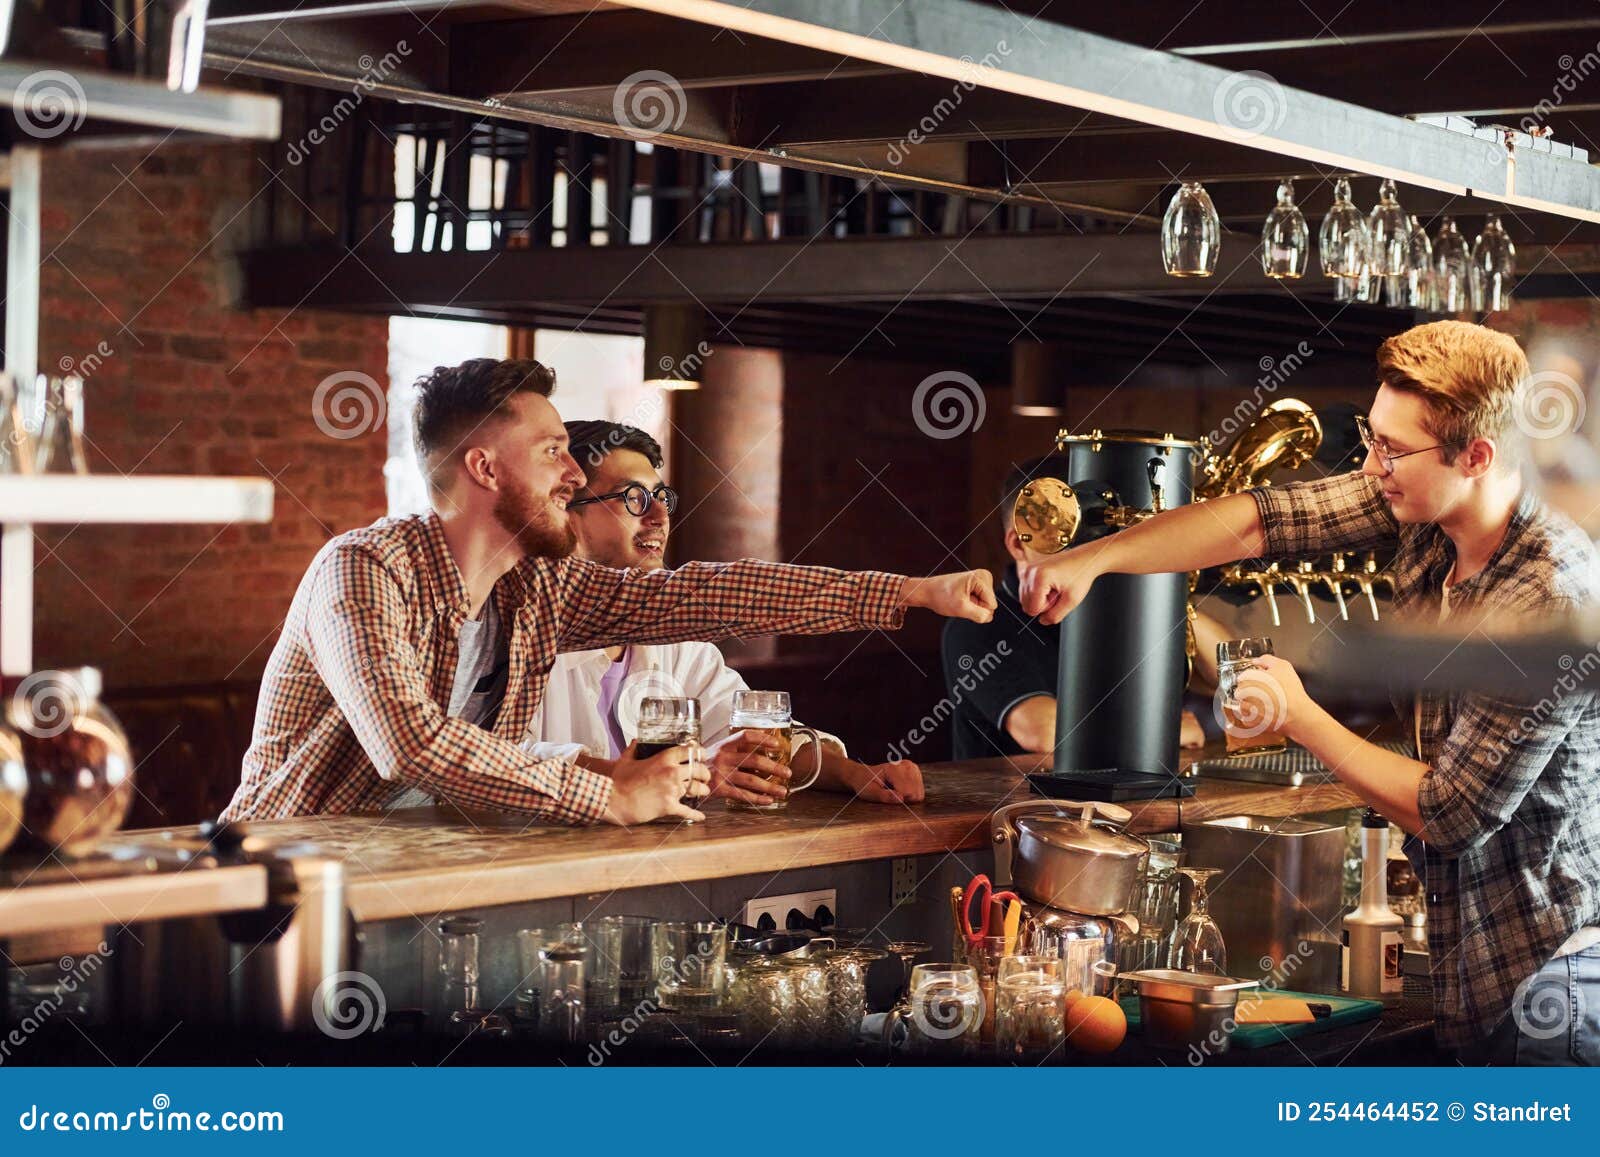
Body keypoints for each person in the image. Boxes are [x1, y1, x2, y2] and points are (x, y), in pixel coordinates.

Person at [1016, 321, 1600, 1064]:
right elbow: (1263, 522)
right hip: (1479, 972)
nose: (1372, 463)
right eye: (1371, 435)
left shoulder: (1547, 593)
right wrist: (1093, 561)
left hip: (1556, 980)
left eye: (1393, 448)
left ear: (1478, 455)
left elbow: (1451, 812)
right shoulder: (1426, 513)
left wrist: (1300, 716)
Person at [222, 359, 993, 827]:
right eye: (554, 450)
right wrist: (608, 794)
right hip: (277, 879)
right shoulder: (362, 570)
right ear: (486, 469)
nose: (572, 474)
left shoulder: (538, 589)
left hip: (422, 877)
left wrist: (912, 592)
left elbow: (716, 596)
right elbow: (409, 744)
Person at [528, 420, 923, 806]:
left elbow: (745, 732)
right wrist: (665, 773)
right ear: (567, 510)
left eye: (662, 498)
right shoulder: (525, 630)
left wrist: (852, 773)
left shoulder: (679, 641)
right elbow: (502, 758)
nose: (660, 517)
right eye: (634, 498)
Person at [940, 456, 1220, 761]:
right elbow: (1043, 732)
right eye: (1065, 536)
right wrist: (1160, 729)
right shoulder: (977, 622)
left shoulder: (1120, 613)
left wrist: (1167, 595)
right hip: (1011, 806)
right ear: (1019, 543)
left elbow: (1241, 683)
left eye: (1095, 538)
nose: (1085, 555)